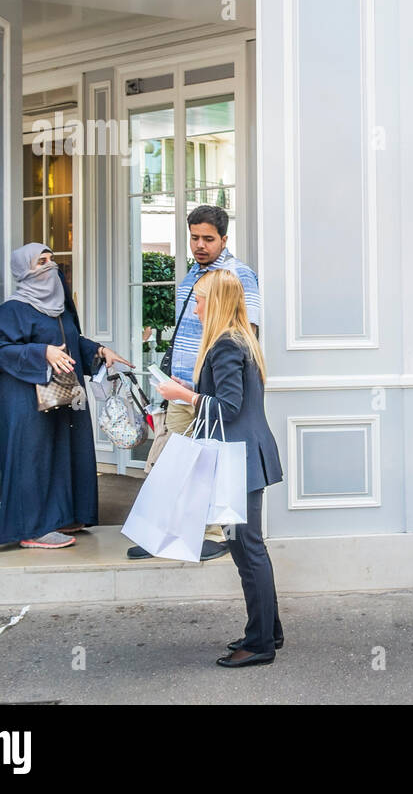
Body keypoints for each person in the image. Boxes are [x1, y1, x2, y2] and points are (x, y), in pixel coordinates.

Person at [157, 269, 284, 668]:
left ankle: (261, 642)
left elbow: (228, 409)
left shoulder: (226, 344)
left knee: (246, 549)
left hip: (238, 459)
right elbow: (231, 400)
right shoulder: (237, 338)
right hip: (242, 457)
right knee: (247, 548)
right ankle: (267, 631)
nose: (193, 307)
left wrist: (184, 396)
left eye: (199, 299)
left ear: (217, 301)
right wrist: (191, 389)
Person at [128, 204, 262, 561]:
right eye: (194, 237)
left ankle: (215, 537)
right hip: (181, 387)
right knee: (169, 459)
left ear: (224, 239)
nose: (200, 245)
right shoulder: (190, 276)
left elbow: (247, 335)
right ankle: (159, 531)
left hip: (214, 393)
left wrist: (213, 385)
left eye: (208, 238)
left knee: (210, 463)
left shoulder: (239, 275)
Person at [0, 244, 133, 549]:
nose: (50, 266)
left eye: (51, 260)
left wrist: (99, 350)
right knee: (34, 457)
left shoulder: (61, 308)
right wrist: (41, 352)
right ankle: (31, 529)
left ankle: (63, 516)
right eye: (41, 262)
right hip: (26, 396)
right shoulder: (12, 309)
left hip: (62, 392)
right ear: (23, 269)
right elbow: (1, 348)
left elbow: (71, 341)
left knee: (65, 452)